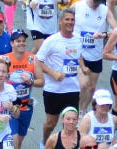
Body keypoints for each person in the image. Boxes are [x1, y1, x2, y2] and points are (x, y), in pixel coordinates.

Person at [37, 8, 83, 143]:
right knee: (51, 122)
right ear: (60, 22)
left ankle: (66, 145)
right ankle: (45, 143)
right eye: (67, 19)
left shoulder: (78, 39)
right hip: (54, 90)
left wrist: (83, 67)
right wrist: (53, 73)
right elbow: (39, 60)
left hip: (72, 89)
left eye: (72, 20)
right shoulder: (52, 40)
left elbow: (78, 55)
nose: (70, 22)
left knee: (70, 123)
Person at [74, 0, 116, 110]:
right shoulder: (77, 6)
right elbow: (64, 21)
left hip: (95, 54)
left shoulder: (104, 10)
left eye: (99, 2)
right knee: (83, 85)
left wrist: (103, 35)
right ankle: (75, 110)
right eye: (95, 2)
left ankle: (82, 110)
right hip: (80, 53)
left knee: (92, 87)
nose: (97, 5)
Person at [4, 28, 44, 149]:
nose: (22, 43)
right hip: (10, 107)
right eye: (18, 41)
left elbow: (41, 81)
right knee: (14, 142)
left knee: (19, 142)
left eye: (23, 41)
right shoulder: (4, 59)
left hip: (26, 107)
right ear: (12, 43)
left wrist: (30, 82)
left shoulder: (33, 59)